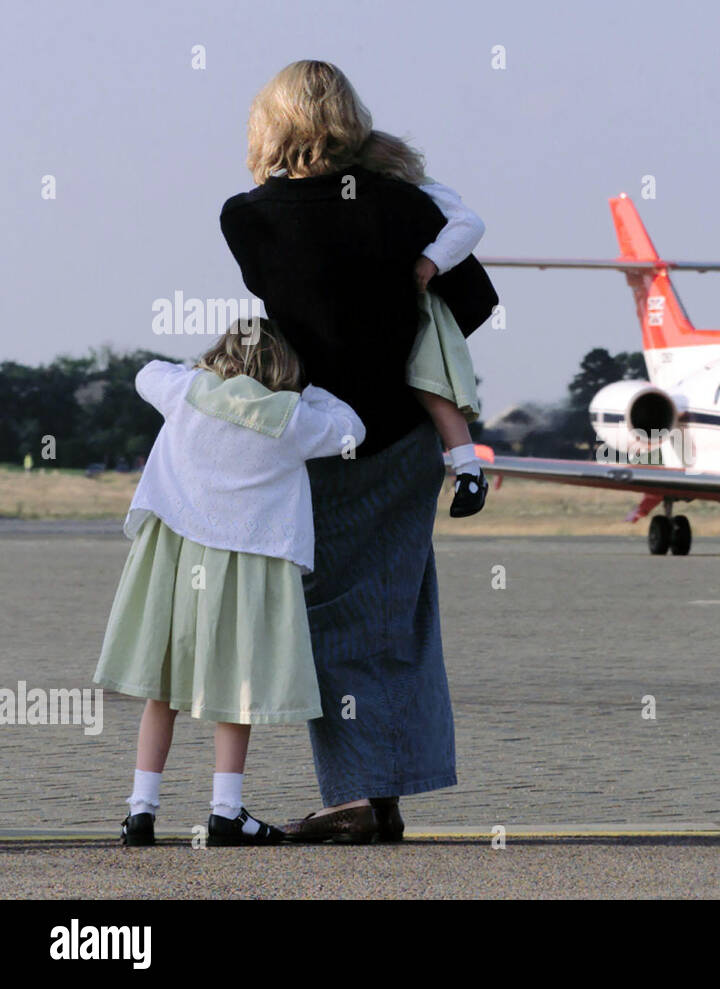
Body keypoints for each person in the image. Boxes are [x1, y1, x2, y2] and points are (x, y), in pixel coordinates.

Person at [221, 59, 498, 844]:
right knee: (396, 611)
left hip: (319, 436)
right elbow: (475, 298)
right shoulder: (405, 205)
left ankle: (352, 798)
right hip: (409, 434)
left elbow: (296, 306)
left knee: (324, 610)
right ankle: (383, 792)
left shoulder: (249, 217)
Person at [92, 319, 364, 846]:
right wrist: (313, 392)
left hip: (175, 558)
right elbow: (352, 428)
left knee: (162, 690)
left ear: (222, 354)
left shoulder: (187, 392)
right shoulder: (292, 420)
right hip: (247, 564)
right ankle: (226, 811)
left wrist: (203, 369)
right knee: (235, 692)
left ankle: (140, 813)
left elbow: (148, 373)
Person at [357, 129, 490, 517]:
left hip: (421, 304)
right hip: (382, 304)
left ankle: (467, 468)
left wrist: (431, 259)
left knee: (431, 380)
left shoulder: (424, 190)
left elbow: (469, 223)